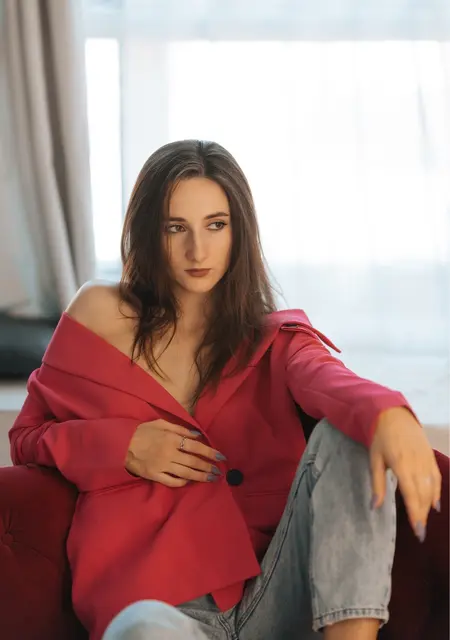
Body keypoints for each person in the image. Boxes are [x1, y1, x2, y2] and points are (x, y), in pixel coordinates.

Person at [9, 140, 441, 640]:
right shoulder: (101, 314)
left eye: (216, 225)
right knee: (139, 627)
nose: (198, 250)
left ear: (240, 231)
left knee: (349, 435)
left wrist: (388, 413)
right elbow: (26, 437)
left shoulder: (274, 339)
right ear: (148, 231)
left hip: (277, 600)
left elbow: (330, 380)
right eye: (176, 228)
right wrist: (121, 447)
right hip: (163, 613)